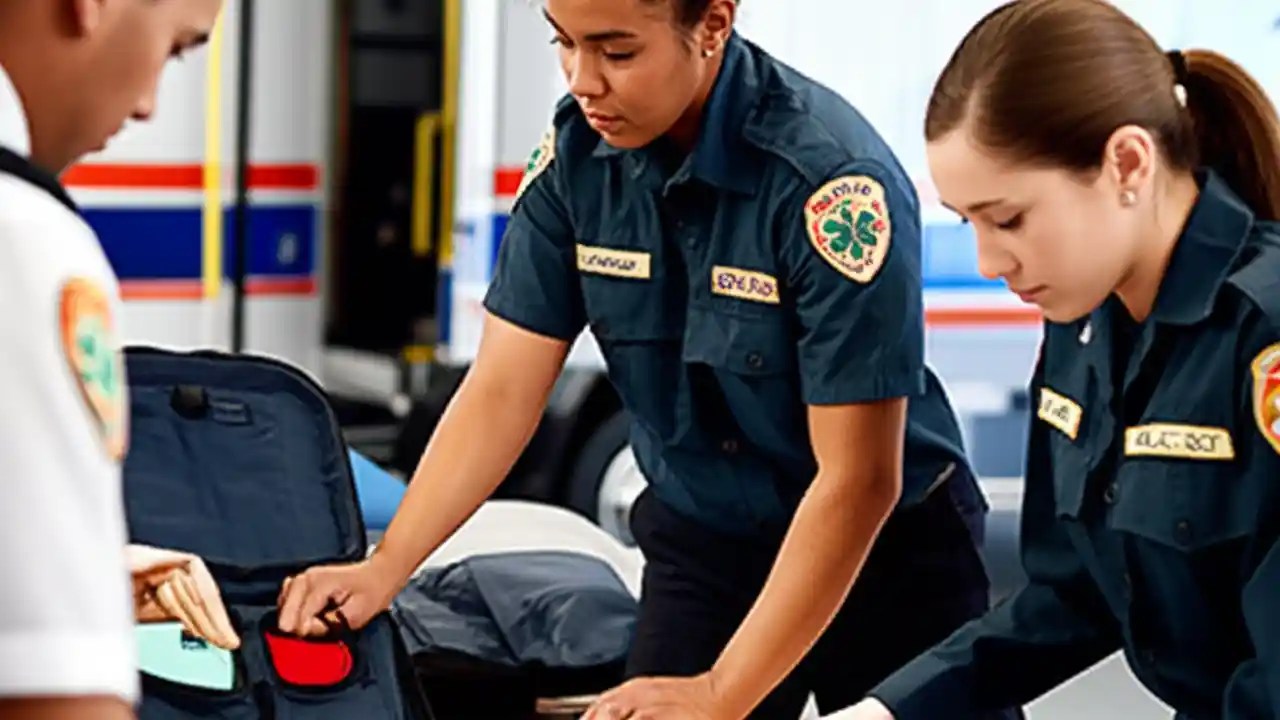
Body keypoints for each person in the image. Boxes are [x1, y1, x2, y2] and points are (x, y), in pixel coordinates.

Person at [277, 1, 1010, 718]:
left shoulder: (828, 183)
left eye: (617, 52)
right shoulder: (575, 164)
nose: (582, 79)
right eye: (562, 42)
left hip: (887, 554)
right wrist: (386, 567)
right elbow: (501, 390)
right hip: (708, 545)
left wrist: (723, 696)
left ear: (714, 25)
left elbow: (858, 481)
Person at [826, 1, 1280, 718]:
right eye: (966, 220)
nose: (986, 260)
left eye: (1008, 219)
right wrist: (884, 713)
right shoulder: (1085, 326)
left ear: (1126, 162)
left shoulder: (1264, 337)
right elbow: (1070, 596)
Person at [0, 1, 233, 719]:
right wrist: (70, 596)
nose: (146, 105)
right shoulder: (25, 241)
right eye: (174, 49)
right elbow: (58, 704)